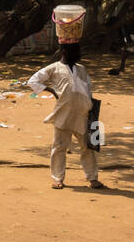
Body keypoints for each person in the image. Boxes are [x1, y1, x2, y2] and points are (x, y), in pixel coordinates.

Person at [28, 43, 105, 191]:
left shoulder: (82, 69)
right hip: (63, 113)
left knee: (88, 148)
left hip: (83, 114)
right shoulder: (54, 68)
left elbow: (88, 88)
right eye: (75, 51)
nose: (78, 53)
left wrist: (91, 111)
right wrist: (51, 91)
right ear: (63, 51)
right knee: (59, 147)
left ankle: (93, 178)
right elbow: (33, 81)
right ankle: (57, 179)